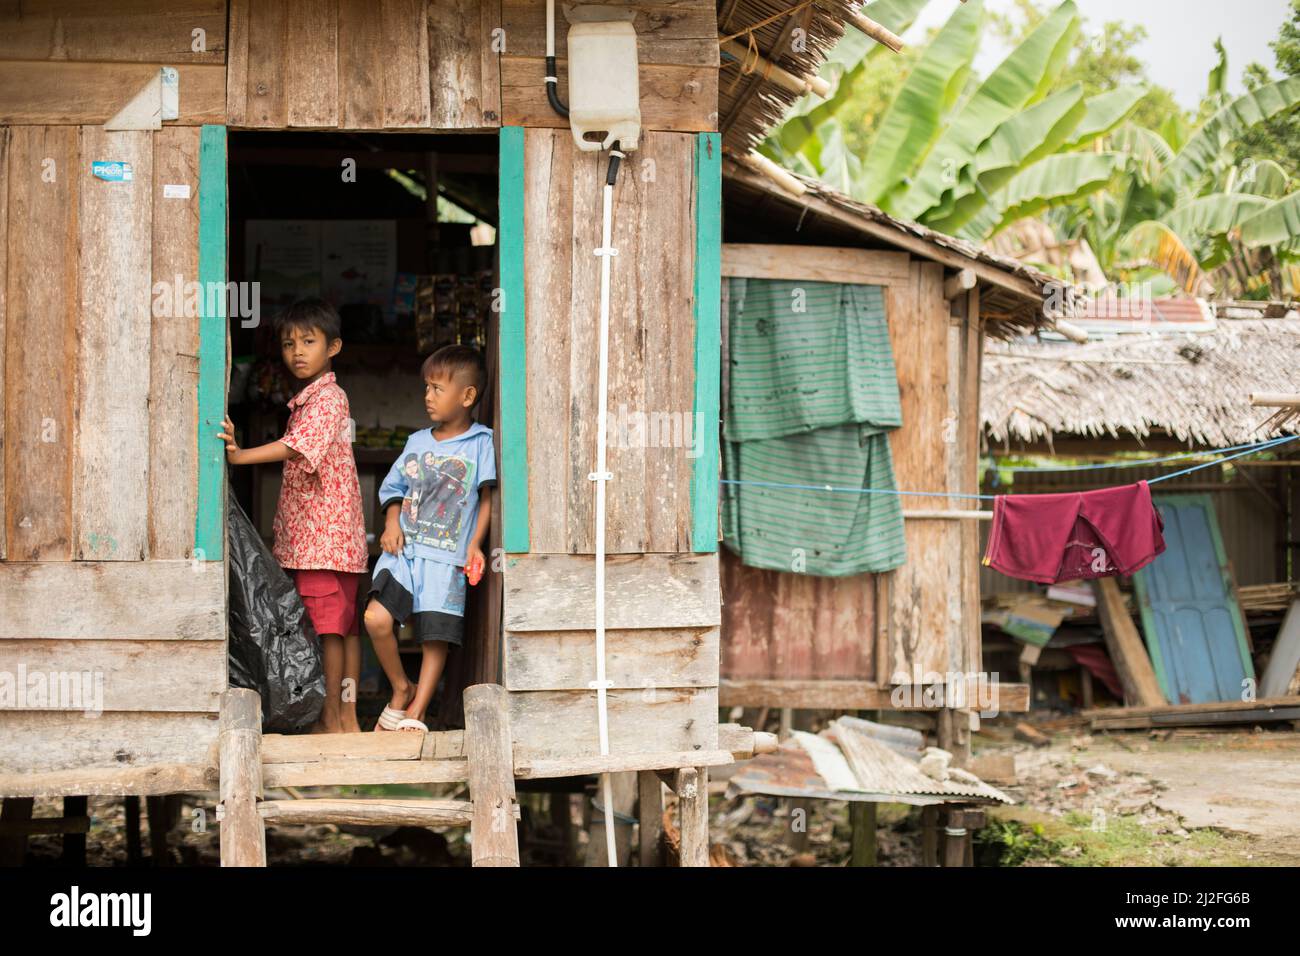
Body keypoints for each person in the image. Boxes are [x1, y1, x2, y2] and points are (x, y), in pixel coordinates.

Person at [218, 298, 368, 734]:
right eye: (288, 343)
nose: (297, 351)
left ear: (333, 347)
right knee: (340, 629)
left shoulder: (327, 399)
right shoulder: (309, 400)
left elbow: (295, 447)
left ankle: (332, 719)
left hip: (323, 543)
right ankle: (345, 718)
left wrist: (240, 455)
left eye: (308, 341)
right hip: (329, 543)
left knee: (326, 632)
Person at [364, 345, 495, 732]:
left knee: (434, 637)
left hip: (446, 558)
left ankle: (417, 710)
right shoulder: (417, 441)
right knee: (375, 618)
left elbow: (487, 499)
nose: (428, 396)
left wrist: (474, 544)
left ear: (467, 396)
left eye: (437, 388)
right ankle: (402, 687)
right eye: (427, 387)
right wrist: (391, 523)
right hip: (404, 552)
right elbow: (394, 488)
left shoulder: (480, 443)